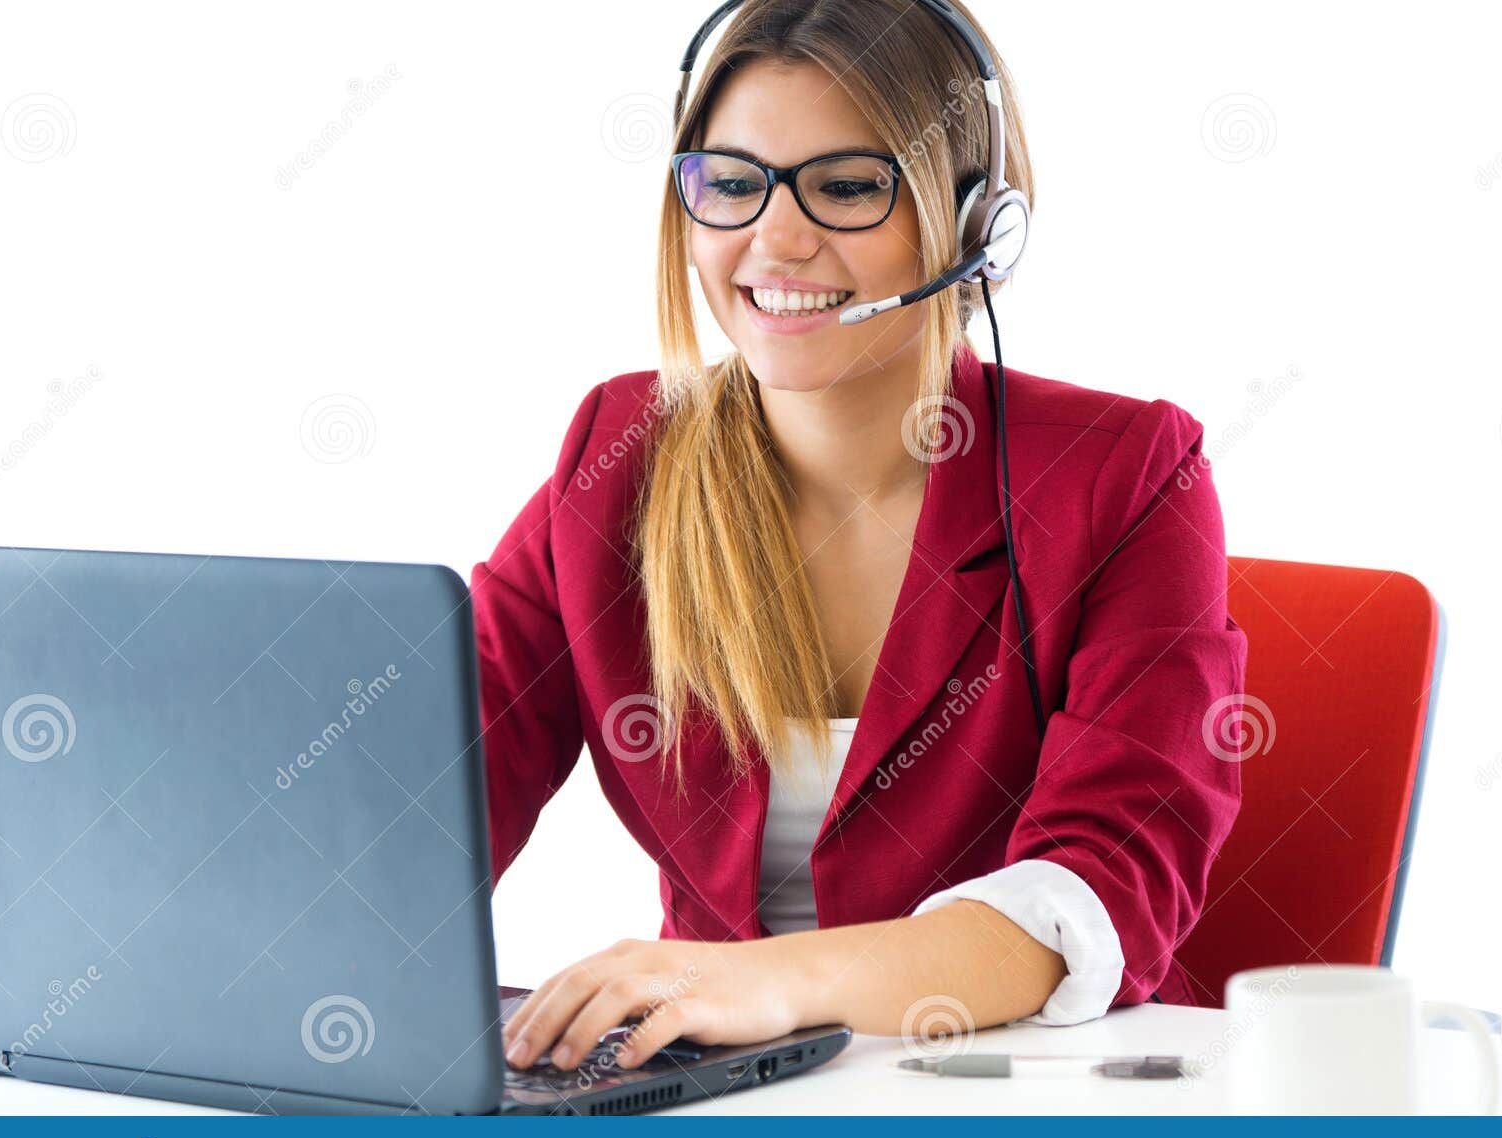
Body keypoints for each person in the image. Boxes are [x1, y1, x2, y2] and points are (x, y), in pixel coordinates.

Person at [480, 0, 1247, 1075]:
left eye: (846, 187)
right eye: (733, 183)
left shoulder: (1120, 474)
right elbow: (437, 777)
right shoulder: (619, 458)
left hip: (1012, 1099)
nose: (774, 239)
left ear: (978, 221)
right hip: (718, 1111)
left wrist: (763, 980)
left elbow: (1098, 886)